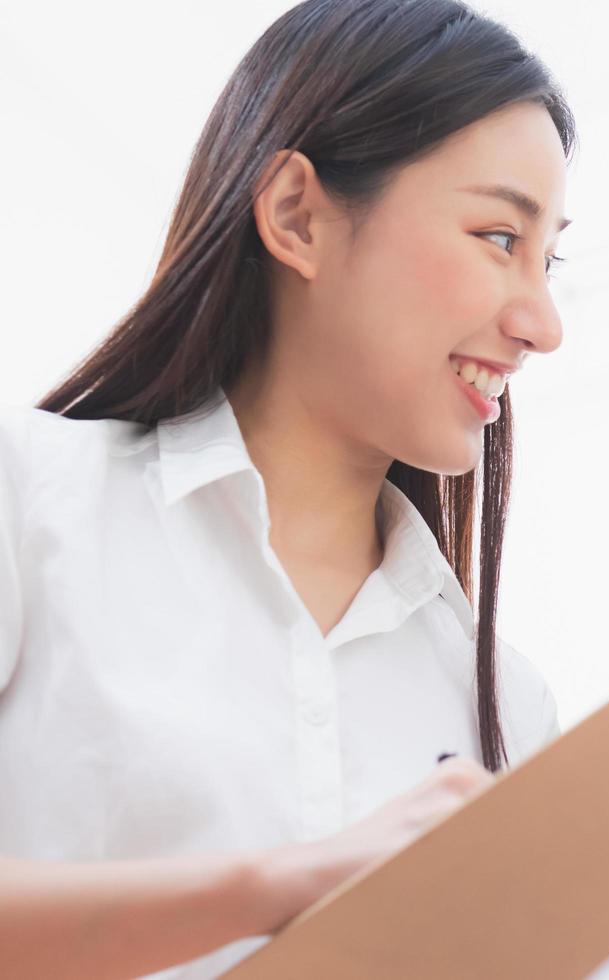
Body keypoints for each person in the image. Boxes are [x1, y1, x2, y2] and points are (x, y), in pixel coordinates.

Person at [0, 1, 572, 976]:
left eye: (548, 257)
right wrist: (281, 887)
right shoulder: (34, 504)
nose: (543, 321)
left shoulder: (508, 704)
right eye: (497, 236)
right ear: (298, 215)